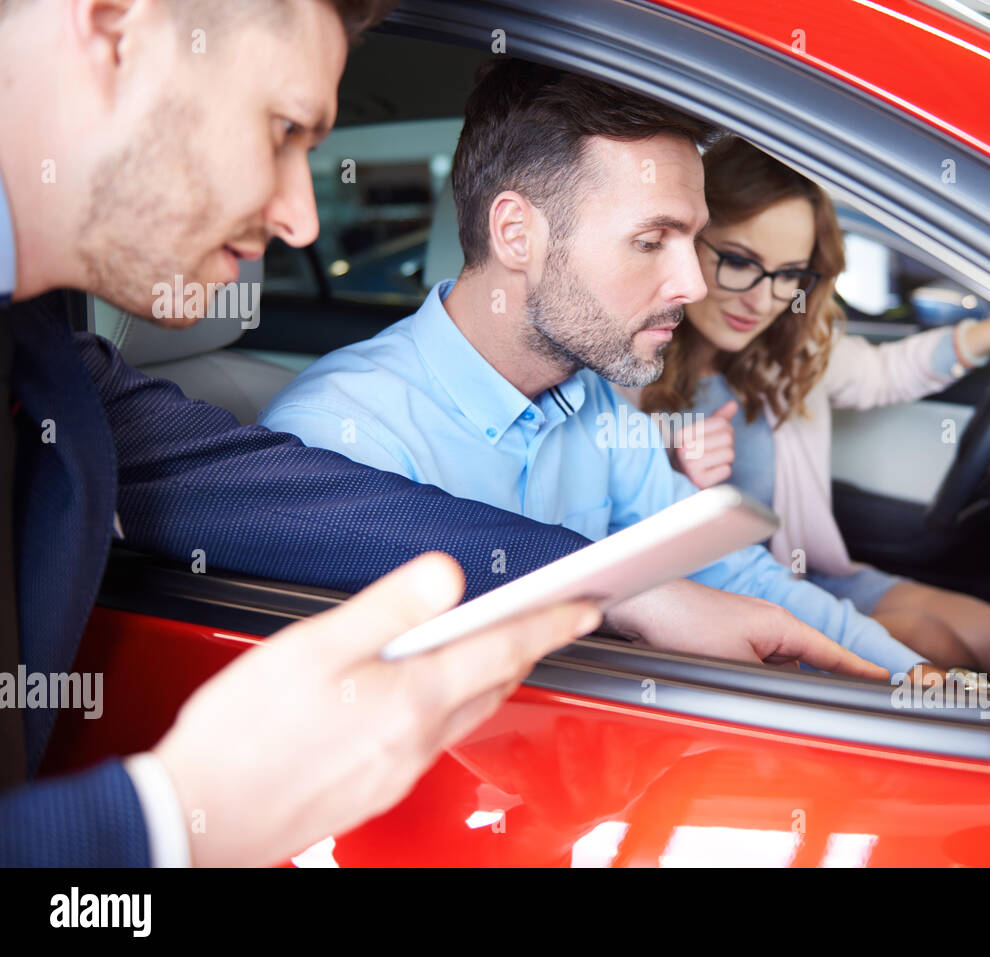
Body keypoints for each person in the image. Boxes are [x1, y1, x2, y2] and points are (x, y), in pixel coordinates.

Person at [0, 0, 860, 868]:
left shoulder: (50, 368)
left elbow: (285, 493)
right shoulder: (346, 413)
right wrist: (169, 817)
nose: (301, 221)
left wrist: (632, 594)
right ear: (113, 25)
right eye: (284, 127)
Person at [260, 59, 945, 680]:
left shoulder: (600, 413)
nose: (693, 284)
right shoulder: (344, 438)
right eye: (651, 242)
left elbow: (736, 571)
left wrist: (914, 681)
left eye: (691, 240)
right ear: (516, 234)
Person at [638, 137, 990, 670]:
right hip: (725, 598)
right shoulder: (628, 367)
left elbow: (888, 371)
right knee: (934, 650)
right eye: (738, 261)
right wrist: (674, 469)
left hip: (807, 574)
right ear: (689, 239)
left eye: (788, 275)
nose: (763, 299)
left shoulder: (787, 357)